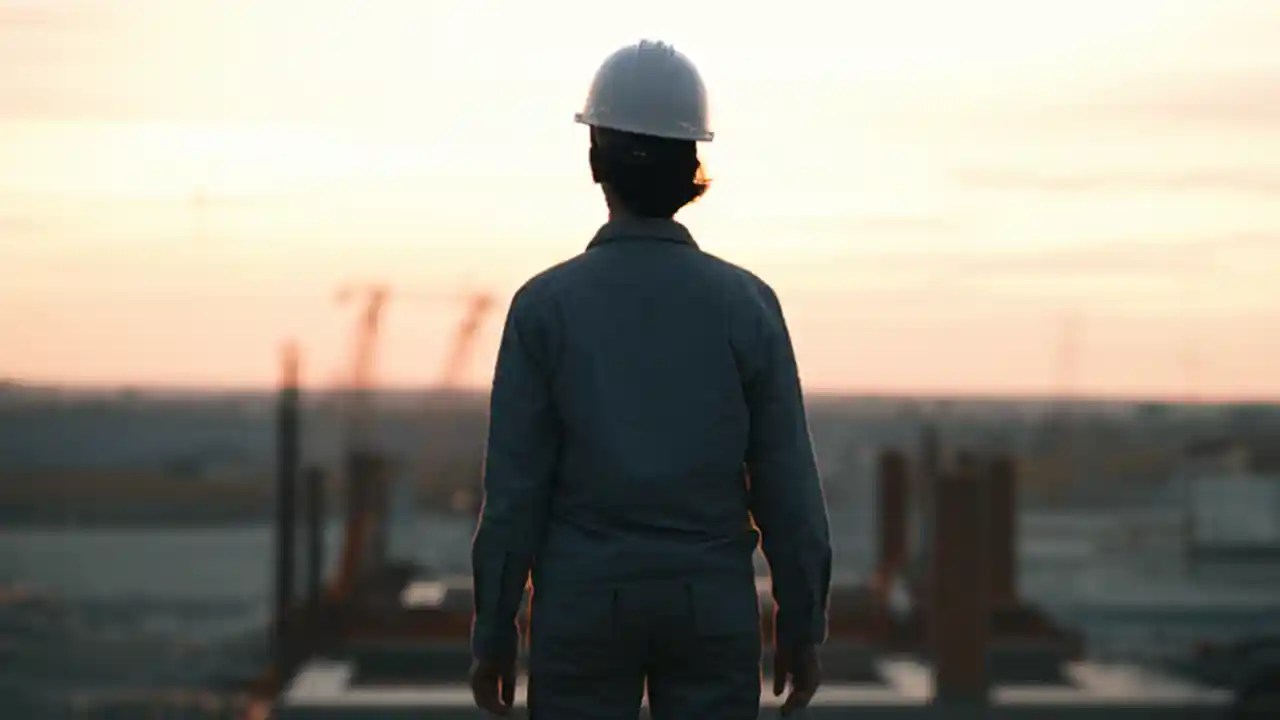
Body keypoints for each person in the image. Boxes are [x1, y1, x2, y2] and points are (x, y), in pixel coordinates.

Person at [469, 40, 832, 719]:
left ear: (594, 160)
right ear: (693, 164)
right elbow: (790, 494)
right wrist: (803, 627)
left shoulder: (544, 308)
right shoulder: (747, 306)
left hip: (581, 607)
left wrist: (493, 631)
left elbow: (514, 497)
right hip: (710, 607)